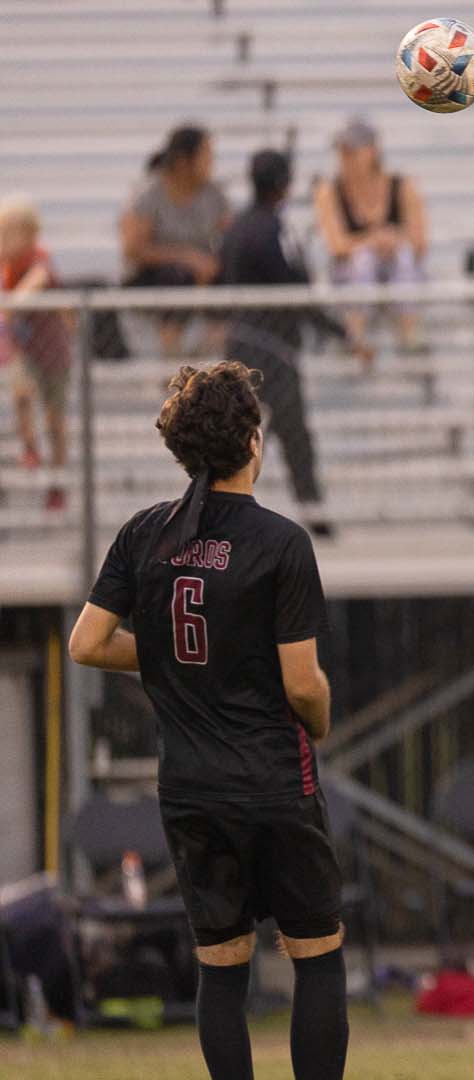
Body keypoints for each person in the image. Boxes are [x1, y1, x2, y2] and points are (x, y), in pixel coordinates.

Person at [67, 361, 347, 1080]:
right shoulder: (281, 542)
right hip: (274, 781)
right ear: (254, 441)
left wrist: (172, 656)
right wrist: (319, 718)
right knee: (316, 955)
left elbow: (87, 644)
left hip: (190, 789)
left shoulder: (144, 533)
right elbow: (303, 683)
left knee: (221, 970)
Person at [220, 150, 373, 532]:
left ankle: (223, 513)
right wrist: (343, 334)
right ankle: (312, 513)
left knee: (246, 436)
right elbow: (295, 289)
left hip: (241, 345)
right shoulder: (271, 229)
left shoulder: (238, 227)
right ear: (282, 184)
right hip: (270, 351)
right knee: (290, 435)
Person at [312, 117, 429, 356]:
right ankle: (355, 336)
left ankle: (409, 334)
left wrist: (393, 240)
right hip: (349, 276)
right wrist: (372, 241)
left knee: (404, 255)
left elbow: (419, 242)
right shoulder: (329, 190)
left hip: (395, 270)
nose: (345, 158)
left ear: (373, 151)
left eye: (352, 151)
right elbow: (336, 247)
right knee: (363, 258)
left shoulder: (401, 185)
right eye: (342, 152)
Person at [121, 124, 230, 357]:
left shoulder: (213, 194)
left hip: (202, 272)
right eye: (206, 156)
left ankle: (209, 352)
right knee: (178, 276)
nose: (211, 163)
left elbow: (231, 232)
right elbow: (133, 249)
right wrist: (188, 258)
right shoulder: (149, 194)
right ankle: (170, 354)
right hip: (154, 277)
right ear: (183, 161)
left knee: (228, 272)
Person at [0, 194, 72, 511]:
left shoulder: (39, 261)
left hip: (53, 354)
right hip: (24, 351)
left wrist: (10, 305)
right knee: (21, 393)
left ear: (30, 235)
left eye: (8, 233)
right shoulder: (6, 267)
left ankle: (57, 482)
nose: (2, 240)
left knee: (55, 420)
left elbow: (34, 284)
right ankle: (30, 446)